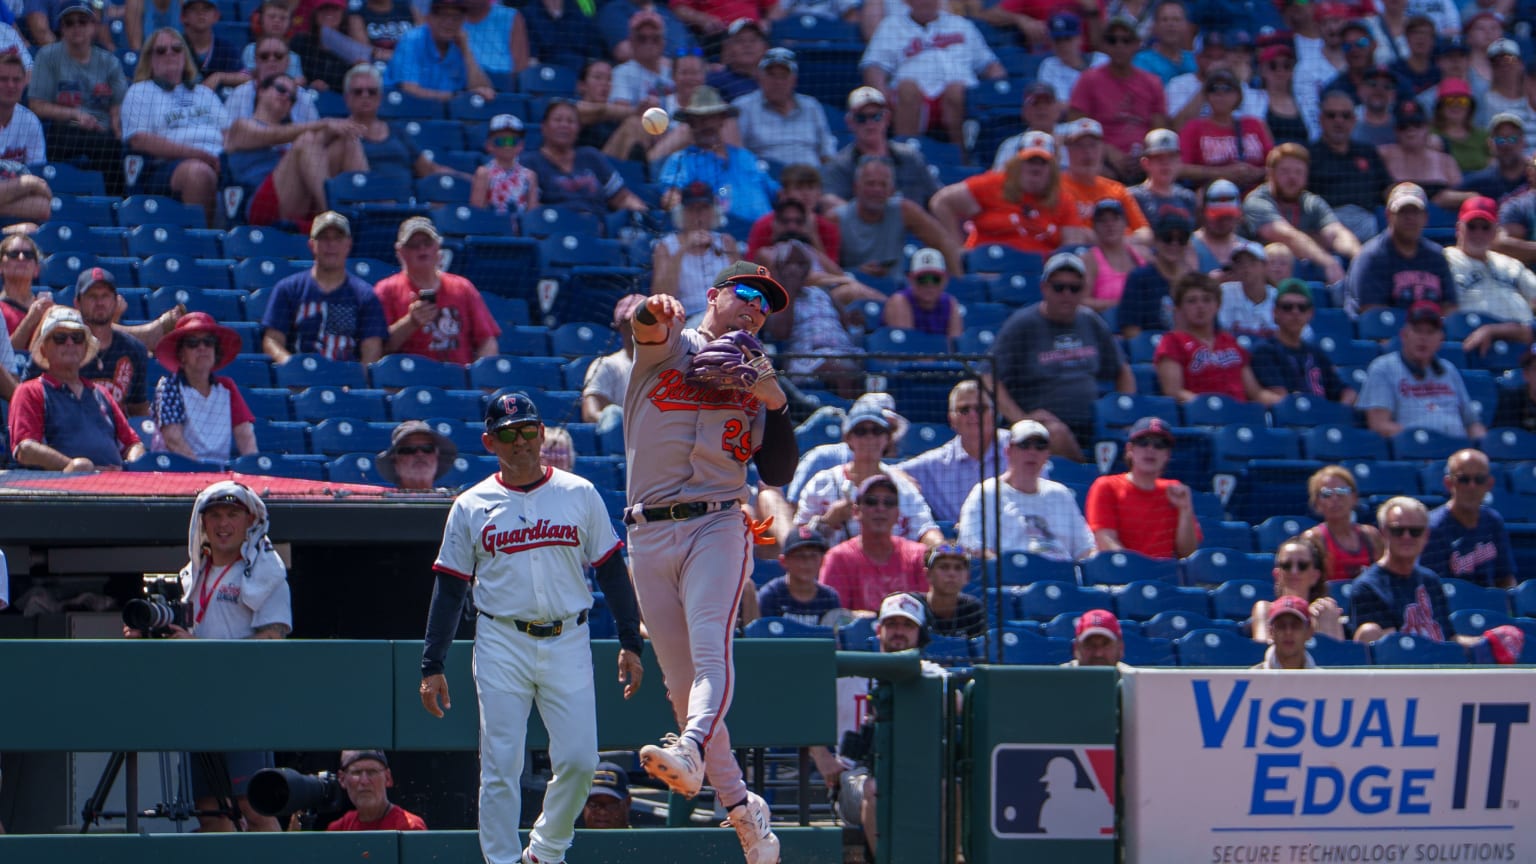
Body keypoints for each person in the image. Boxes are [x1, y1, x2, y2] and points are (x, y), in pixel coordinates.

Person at [419, 392, 644, 864]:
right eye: (507, 434)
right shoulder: (470, 504)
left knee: (582, 761)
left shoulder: (578, 493)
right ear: (489, 441)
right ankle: (501, 860)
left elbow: (610, 570)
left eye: (527, 431)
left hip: (568, 636)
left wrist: (629, 640)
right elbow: (450, 587)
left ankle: (544, 850)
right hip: (501, 639)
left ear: (541, 434)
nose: (519, 441)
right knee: (501, 766)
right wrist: (431, 662)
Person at [621, 262, 796, 863]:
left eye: (765, 305)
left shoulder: (755, 373)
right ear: (715, 296)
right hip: (647, 532)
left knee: (707, 656)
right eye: (746, 294)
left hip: (719, 521)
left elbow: (778, 472)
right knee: (680, 685)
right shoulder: (671, 347)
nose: (754, 307)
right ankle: (744, 811)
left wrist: (776, 398)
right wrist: (654, 307)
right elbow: (643, 324)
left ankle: (692, 747)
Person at [125, 481, 291, 832]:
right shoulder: (190, 575)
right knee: (208, 807)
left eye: (232, 514)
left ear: (250, 520)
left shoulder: (268, 572)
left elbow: (272, 643)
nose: (223, 524)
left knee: (253, 802)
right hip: (197, 704)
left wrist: (199, 649)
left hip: (246, 706)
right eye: (214, 515)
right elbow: (183, 635)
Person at [993, 251, 1133, 460]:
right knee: (1055, 434)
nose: (1066, 294)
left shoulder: (1090, 321)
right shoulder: (1022, 325)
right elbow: (988, 377)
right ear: (1044, 288)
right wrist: (1021, 420)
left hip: (1090, 425)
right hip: (1040, 429)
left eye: (1074, 288)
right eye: (1059, 288)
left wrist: (1122, 413)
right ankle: (1089, 475)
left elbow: (1122, 371)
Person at [224, 73, 365, 228]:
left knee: (346, 138)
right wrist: (324, 123)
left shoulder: (292, 132)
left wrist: (341, 127)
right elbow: (273, 136)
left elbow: (298, 136)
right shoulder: (241, 125)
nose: (286, 97)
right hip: (260, 205)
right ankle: (336, 223)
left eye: (292, 98)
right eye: (280, 89)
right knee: (306, 141)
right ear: (261, 91)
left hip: (298, 196)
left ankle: (369, 214)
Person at [858, 0, 1004, 149]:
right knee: (907, 88)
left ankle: (963, 157)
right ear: (908, 2)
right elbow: (873, 65)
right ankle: (905, 153)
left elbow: (990, 65)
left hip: (961, 97)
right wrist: (882, 97)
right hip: (914, 99)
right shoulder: (891, 26)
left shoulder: (961, 25)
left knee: (955, 90)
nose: (926, 2)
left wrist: (1000, 88)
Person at [10, 306, 142, 471]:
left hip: (114, 488)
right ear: (44, 349)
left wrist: (132, 464)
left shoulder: (101, 393)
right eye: (60, 337)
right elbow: (25, 449)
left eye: (77, 337)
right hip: (58, 490)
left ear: (85, 347)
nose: (70, 343)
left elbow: (132, 443)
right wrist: (70, 465)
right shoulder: (30, 391)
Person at [795, 402, 943, 546]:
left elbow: (926, 530)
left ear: (887, 438)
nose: (869, 437)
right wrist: (827, 521)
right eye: (861, 431)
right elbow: (797, 538)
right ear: (848, 438)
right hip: (832, 568)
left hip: (891, 569)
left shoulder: (903, 487)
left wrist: (946, 549)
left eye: (877, 431)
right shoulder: (823, 482)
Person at [120, 28, 229, 219]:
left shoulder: (204, 93)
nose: (170, 53)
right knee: (198, 173)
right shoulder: (141, 91)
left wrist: (228, 160)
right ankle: (202, 245)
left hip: (220, 162)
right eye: (161, 50)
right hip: (167, 168)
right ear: (150, 60)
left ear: (185, 56)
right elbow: (139, 140)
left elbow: (229, 134)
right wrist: (200, 155)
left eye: (177, 49)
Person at [956, 419, 1096, 561]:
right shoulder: (986, 492)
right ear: (1008, 451)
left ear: (1048, 454)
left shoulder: (1060, 493)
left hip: (1060, 576)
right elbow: (972, 547)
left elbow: (1086, 549)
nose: (1032, 452)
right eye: (1024, 445)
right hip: (1011, 579)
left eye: (1040, 446)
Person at [930, 133, 1090, 255]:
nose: (1036, 167)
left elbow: (1072, 247)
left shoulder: (1063, 200)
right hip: (988, 270)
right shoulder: (992, 184)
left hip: (1039, 279)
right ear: (1017, 163)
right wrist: (958, 250)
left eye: (1043, 162)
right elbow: (941, 202)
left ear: (1053, 169)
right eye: (1030, 161)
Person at [261, 211, 388, 365]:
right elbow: (272, 340)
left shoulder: (365, 295)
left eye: (338, 238)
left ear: (348, 244)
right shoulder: (288, 289)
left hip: (345, 382)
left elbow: (371, 350)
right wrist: (291, 366)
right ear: (311, 244)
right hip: (299, 381)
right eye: (324, 238)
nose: (331, 244)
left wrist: (357, 381)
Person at [28, 2, 127, 195]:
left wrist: (115, 126)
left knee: (114, 145)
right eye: (70, 23)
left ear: (93, 26)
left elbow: (117, 106)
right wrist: (75, 114)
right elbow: (36, 105)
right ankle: (54, 197)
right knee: (63, 137)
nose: (76, 27)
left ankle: (115, 206)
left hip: (101, 130)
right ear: (62, 28)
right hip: (64, 126)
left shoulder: (109, 62)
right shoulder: (48, 57)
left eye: (82, 22)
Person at [375, 216, 500, 364]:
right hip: (408, 380)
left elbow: (487, 341)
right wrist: (410, 322)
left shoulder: (463, 288)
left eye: (427, 243)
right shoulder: (386, 291)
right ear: (400, 252)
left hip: (457, 382)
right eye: (413, 245)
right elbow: (377, 350)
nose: (422, 249)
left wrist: (479, 380)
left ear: (438, 247)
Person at [1360, 300, 1485, 439]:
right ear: (1404, 334)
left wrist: (1483, 446)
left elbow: (1472, 424)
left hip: (1457, 452)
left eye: (1430, 332)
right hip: (1415, 453)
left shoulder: (1449, 369)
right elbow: (1379, 425)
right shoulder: (1383, 368)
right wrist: (1425, 441)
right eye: (1418, 330)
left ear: (1441, 339)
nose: (1423, 338)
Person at [757, 239, 864, 398]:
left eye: (801, 264)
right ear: (778, 269)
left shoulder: (822, 292)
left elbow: (847, 325)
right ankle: (847, 414)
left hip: (844, 351)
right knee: (842, 370)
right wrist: (790, 290)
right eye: (789, 264)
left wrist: (853, 320)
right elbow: (780, 333)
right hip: (805, 358)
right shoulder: (772, 299)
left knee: (869, 369)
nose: (795, 269)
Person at [1069, 14, 1170, 182]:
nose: (1119, 46)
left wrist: (1144, 154)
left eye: (1126, 40)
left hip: (1144, 162)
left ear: (1137, 44)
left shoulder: (1152, 82)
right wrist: (1107, 151)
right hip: (1101, 161)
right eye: (1112, 40)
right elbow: (1076, 128)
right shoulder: (1089, 80)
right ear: (1105, 45)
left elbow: (1158, 131)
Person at [894, 380, 1009, 525]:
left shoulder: (1017, 446)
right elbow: (887, 471)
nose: (973, 415)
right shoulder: (937, 462)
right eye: (964, 410)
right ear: (951, 419)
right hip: (959, 544)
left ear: (993, 415)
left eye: (980, 409)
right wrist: (900, 477)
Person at [1084, 416, 1200, 559]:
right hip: (1122, 575)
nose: (1151, 449)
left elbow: (1188, 553)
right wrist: (1138, 570)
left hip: (1164, 576)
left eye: (1160, 444)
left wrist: (1185, 509)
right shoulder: (1106, 486)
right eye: (1143, 442)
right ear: (1130, 449)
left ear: (1167, 455)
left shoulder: (1174, 491)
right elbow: (1106, 541)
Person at [656, 86, 777, 223]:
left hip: (766, 232)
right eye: (699, 119)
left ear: (722, 119)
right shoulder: (681, 160)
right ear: (690, 123)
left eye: (711, 117)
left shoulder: (745, 156)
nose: (706, 124)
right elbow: (671, 196)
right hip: (721, 235)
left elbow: (776, 192)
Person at [831, 157, 962, 279]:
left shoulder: (904, 210)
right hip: (851, 288)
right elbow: (825, 271)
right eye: (870, 184)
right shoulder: (836, 219)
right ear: (856, 187)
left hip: (896, 289)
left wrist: (958, 282)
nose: (877, 189)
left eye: (883, 185)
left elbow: (942, 241)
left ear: (892, 190)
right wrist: (855, 271)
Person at [151, 313, 257, 463]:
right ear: (181, 354)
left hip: (220, 476)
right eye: (193, 343)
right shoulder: (170, 386)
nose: (202, 348)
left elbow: (245, 436)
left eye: (208, 342)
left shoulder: (227, 387)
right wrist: (204, 473)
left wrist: (253, 470)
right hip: (179, 472)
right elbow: (173, 440)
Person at [818, 474, 931, 615]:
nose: (880, 508)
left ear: (897, 514)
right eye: (871, 502)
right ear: (856, 511)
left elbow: (928, 613)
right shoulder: (839, 558)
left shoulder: (918, 556)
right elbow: (834, 616)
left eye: (889, 502)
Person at [1350, 496, 1455, 644]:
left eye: (1415, 531)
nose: (1407, 537)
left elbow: (1450, 638)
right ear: (1384, 533)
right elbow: (1385, 651)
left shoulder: (1431, 581)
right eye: (1397, 530)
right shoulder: (1368, 587)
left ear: (1426, 536)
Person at [519, 100, 647, 216]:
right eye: (557, 120)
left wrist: (641, 210)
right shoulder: (530, 162)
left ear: (578, 128)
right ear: (544, 127)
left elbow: (621, 197)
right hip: (554, 231)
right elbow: (531, 208)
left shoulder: (591, 157)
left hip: (597, 230)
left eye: (571, 121)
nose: (564, 125)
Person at [821, 86, 940, 208]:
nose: (870, 124)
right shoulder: (841, 165)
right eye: (861, 118)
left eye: (876, 116)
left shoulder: (910, 157)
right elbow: (829, 202)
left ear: (887, 118)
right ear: (850, 122)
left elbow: (937, 196)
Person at [1345, 182, 1455, 313]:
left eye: (1415, 212)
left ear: (1425, 217)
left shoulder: (1436, 256)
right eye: (1402, 211)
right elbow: (1372, 313)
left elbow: (1450, 307)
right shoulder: (1372, 256)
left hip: (1430, 330)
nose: (1409, 217)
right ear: (1388, 216)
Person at [1421, 448, 1517, 588]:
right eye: (1464, 479)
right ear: (1449, 483)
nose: (1471, 486)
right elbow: (1433, 590)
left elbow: (1506, 578)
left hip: (1488, 606)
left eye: (1479, 479)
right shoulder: (1433, 527)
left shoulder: (1493, 521)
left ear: (1489, 484)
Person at [1308, 90, 1396, 243]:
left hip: (1368, 227)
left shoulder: (1367, 152)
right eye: (1331, 115)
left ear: (1354, 120)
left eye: (1345, 115)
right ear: (1321, 119)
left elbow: (1388, 189)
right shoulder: (1309, 155)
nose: (1339, 121)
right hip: (1327, 229)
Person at [1250, 280, 1357, 405]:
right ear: (1275, 312)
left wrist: (1339, 412)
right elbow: (1281, 400)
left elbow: (1346, 392)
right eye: (1287, 307)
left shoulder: (1316, 352)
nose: (1295, 312)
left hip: (1322, 420)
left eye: (1302, 308)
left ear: (1310, 314)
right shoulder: (1264, 351)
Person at [652, 181, 740, 324]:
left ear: (713, 212)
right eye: (692, 209)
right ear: (682, 213)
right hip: (687, 320)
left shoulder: (726, 242)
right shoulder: (665, 246)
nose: (698, 215)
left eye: (704, 208)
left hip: (727, 316)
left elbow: (741, 288)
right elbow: (661, 297)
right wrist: (683, 249)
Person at [733, 48, 836, 168]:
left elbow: (827, 152)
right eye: (771, 75)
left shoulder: (811, 106)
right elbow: (736, 154)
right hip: (766, 179)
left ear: (794, 80)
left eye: (783, 76)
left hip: (811, 179)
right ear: (759, 77)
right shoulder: (743, 106)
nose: (777, 82)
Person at [1176, 68, 1272, 190]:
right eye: (1213, 89)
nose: (1220, 94)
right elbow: (1179, 168)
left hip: (1256, 193)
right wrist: (1221, 173)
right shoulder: (1194, 127)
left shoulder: (1254, 124)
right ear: (1206, 96)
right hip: (1211, 194)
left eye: (1227, 89)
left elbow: (1276, 164)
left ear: (1238, 95)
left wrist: (1256, 173)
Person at [1445, 195, 1536, 323]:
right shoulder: (1445, 261)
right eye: (1472, 226)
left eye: (1485, 227)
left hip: (1521, 338)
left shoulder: (1510, 264)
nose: (1478, 233)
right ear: (1458, 228)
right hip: (1470, 336)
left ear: (1495, 231)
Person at [1058, 117, 1152, 239]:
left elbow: (1145, 232)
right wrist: (1108, 242)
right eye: (1080, 146)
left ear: (1102, 149)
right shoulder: (1056, 187)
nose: (1087, 153)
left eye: (1093, 145)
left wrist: (1120, 244)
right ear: (1068, 150)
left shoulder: (1116, 189)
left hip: (1119, 251)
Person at [72, 267, 149, 417]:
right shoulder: (63, 345)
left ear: (115, 302)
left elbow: (138, 409)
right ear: (77, 303)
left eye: (105, 296)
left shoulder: (134, 350)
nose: (100, 302)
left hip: (117, 435)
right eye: (92, 296)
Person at [384, 0, 495, 102]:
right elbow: (410, 89)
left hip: (450, 116)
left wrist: (466, 51)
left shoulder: (462, 43)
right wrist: (456, 97)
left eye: (456, 18)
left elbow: (484, 89)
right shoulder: (412, 40)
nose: (449, 23)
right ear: (429, 18)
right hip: (406, 111)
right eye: (443, 16)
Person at [1117, 205, 1196, 337]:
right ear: (1156, 240)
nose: (1174, 244)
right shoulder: (1139, 278)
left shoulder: (1195, 280)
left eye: (1181, 239)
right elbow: (1130, 329)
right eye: (1167, 238)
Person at [1250, 535, 1344, 643]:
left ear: (1315, 576)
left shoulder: (1325, 611)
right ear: (1277, 575)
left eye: (1302, 565)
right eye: (1287, 565)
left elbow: (1338, 656)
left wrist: (1322, 622)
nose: (1294, 571)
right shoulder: (1265, 609)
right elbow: (1263, 651)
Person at [1298, 465, 1384, 584]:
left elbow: (1384, 579)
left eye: (1341, 491)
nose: (1334, 498)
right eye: (1326, 494)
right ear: (1317, 502)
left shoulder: (1371, 536)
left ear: (1354, 497)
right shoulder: (1313, 539)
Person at [756, 525, 843, 626]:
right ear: (784, 561)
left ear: (822, 560)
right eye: (800, 556)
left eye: (813, 556)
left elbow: (835, 636)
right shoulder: (771, 595)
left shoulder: (829, 597)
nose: (807, 562)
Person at [581, 294, 644, 433]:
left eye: (643, 321)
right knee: (612, 413)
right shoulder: (607, 365)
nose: (637, 327)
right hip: (621, 446)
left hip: (661, 442)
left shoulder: (670, 365)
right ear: (620, 326)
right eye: (630, 322)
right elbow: (590, 413)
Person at [224, 36, 323, 123]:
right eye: (264, 56)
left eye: (278, 56)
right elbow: (227, 135)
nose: (271, 60)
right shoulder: (239, 94)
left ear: (288, 61)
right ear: (256, 61)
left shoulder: (302, 97)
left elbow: (315, 136)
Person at [327, 750, 427, 831]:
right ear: (342, 779)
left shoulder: (409, 828)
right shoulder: (339, 829)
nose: (364, 781)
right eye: (356, 773)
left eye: (372, 772)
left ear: (387, 778)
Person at [878, 247, 962, 340]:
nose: (929, 284)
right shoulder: (900, 301)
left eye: (935, 279)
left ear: (945, 280)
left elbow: (955, 349)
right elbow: (906, 347)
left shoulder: (950, 303)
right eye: (922, 279)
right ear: (911, 280)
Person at [468, 113, 538, 223]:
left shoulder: (529, 176)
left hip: (520, 232)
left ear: (520, 146)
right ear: (489, 145)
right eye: (501, 141)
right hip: (491, 230)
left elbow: (533, 214)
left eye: (512, 141)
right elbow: (477, 212)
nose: (507, 146)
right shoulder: (484, 173)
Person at [609, 10, 673, 109]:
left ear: (663, 42)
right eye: (642, 38)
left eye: (655, 38)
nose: (649, 43)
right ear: (631, 42)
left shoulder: (672, 73)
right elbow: (622, 113)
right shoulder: (621, 73)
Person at [1215, 240, 1277, 338]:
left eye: (1252, 262)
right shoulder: (1224, 293)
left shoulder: (1277, 297)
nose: (1246, 268)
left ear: (1265, 266)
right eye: (1240, 263)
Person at [922, 544, 983, 639]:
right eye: (944, 567)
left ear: (967, 577)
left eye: (958, 568)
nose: (952, 573)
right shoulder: (914, 606)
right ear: (928, 574)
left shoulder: (972, 608)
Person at [376, 419, 457, 492]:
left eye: (427, 448)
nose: (420, 454)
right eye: (409, 449)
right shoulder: (380, 505)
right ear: (394, 462)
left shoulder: (455, 503)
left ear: (437, 457)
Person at [1431, 78, 1488, 175]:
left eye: (1462, 101)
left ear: (1470, 107)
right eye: (1449, 101)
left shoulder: (1482, 135)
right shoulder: (1430, 134)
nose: (1456, 105)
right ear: (1440, 108)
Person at [705, 17, 770, 102]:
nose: (747, 45)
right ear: (728, 48)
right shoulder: (715, 82)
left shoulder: (777, 80)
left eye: (753, 40)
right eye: (740, 40)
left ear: (765, 47)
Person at [1252, 595, 1319, 669]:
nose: (1288, 632)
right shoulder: (1251, 678)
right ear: (1271, 631)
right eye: (1281, 626)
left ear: (1309, 632)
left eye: (1295, 626)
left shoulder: (1325, 679)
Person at [1065, 608, 1129, 668]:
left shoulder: (1136, 679)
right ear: (1076, 648)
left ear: (1120, 648)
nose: (1098, 654)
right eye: (1089, 645)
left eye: (1106, 644)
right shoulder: (1058, 678)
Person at [581, 762, 632, 830]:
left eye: (612, 805)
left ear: (627, 803)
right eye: (594, 805)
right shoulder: (567, 839)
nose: (602, 812)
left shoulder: (641, 839)